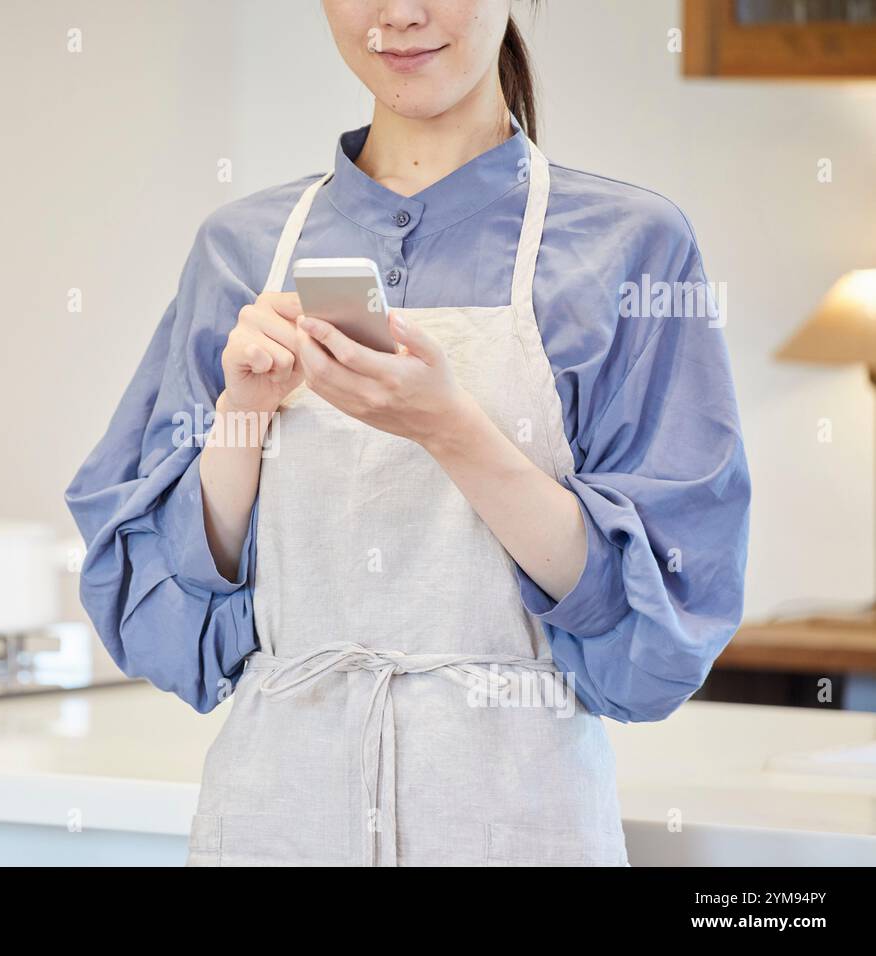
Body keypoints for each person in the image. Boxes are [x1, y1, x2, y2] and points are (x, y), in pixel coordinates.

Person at [66, 0, 750, 866]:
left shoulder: (631, 248)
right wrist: (243, 410)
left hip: (515, 821)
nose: (399, 14)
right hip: (275, 819)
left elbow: (654, 645)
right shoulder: (239, 249)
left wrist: (450, 429)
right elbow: (168, 629)